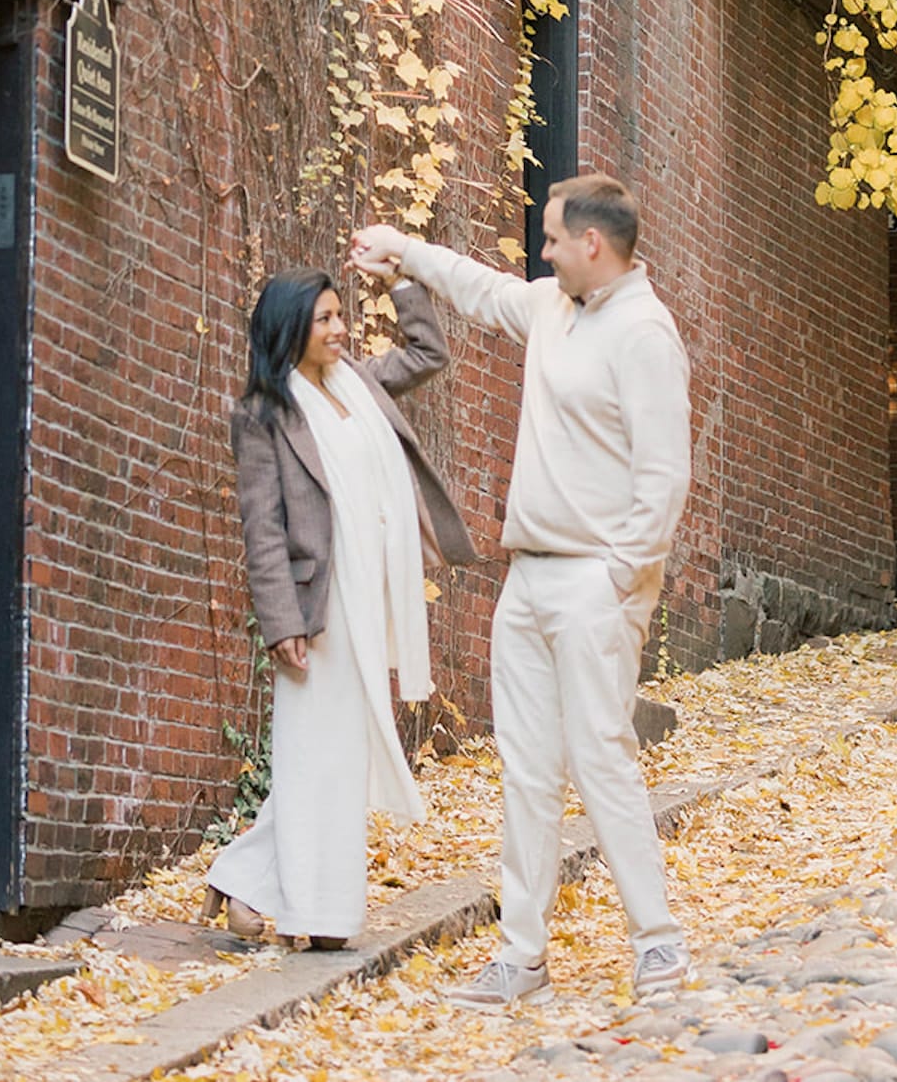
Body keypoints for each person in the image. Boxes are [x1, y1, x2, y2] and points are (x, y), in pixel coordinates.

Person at [352, 173, 692, 1005]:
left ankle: (657, 942)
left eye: (552, 238)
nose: (543, 252)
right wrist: (405, 252)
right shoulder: (550, 307)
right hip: (527, 576)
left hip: (593, 581)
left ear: (592, 243)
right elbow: (481, 288)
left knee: (602, 758)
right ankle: (522, 955)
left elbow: (664, 475)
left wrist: (619, 580)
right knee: (527, 771)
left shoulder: (645, 333)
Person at [202, 265, 475, 950]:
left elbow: (429, 352)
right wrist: (281, 623)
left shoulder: (359, 382)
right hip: (316, 607)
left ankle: (260, 883)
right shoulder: (263, 415)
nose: (339, 328)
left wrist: (403, 279)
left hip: (369, 595)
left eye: (339, 315)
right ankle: (313, 912)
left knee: (336, 753)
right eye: (324, 319)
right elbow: (262, 529)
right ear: (291, 328)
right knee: (314, 754)